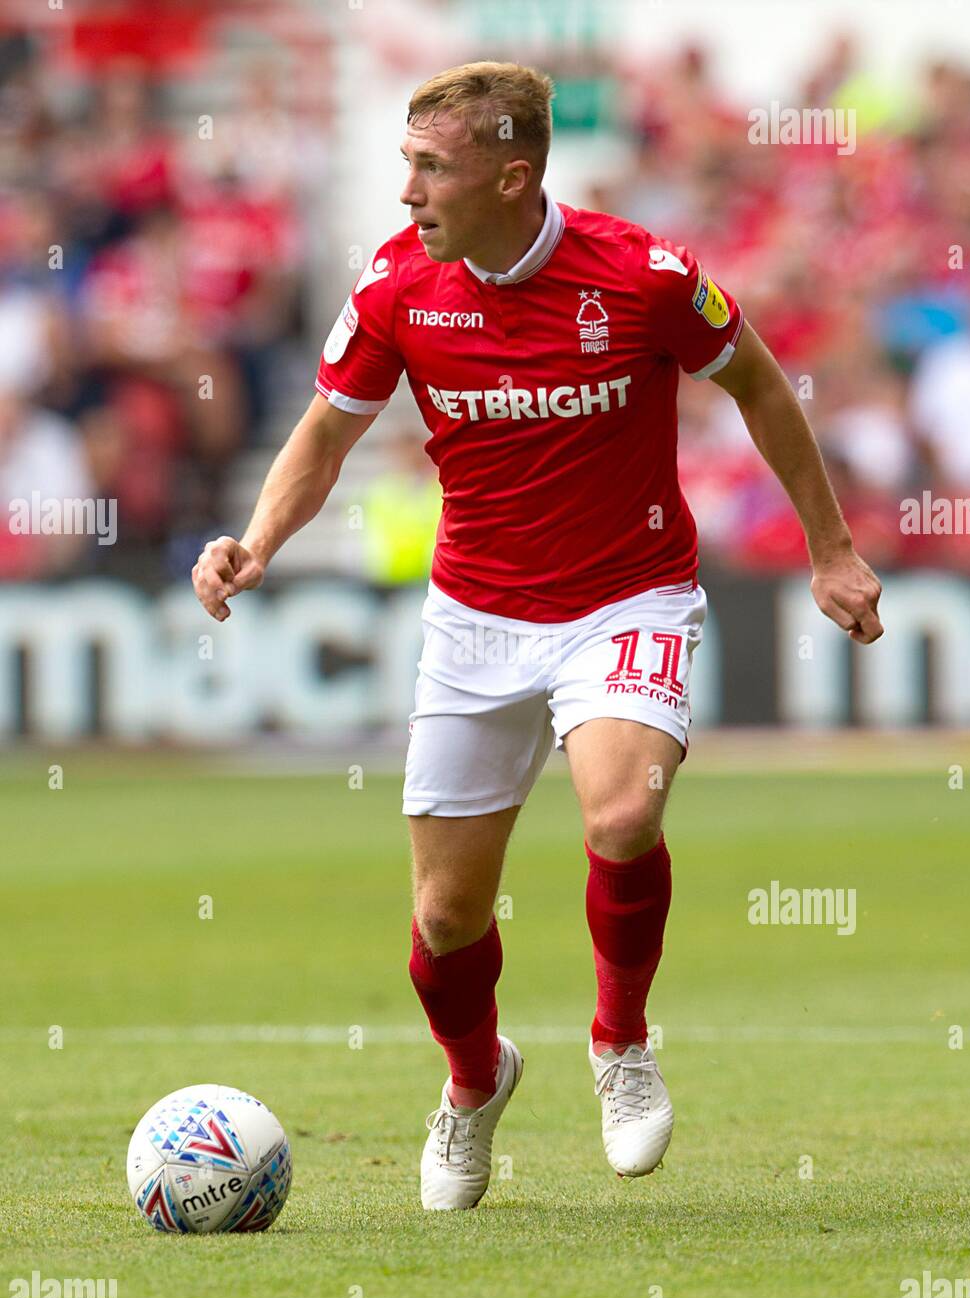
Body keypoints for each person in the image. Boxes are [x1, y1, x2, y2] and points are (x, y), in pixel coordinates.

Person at [192, 61, 883, 1211]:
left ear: (512, 177)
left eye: (430, 168)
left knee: (621, 811)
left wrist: (831, 549)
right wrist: (257, 540)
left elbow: (760, 384)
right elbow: (321, 433)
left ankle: (620, 1041)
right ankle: (475, 1084)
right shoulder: (398, 286)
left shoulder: (644, 276)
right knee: (446, 915)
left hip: (630, 597)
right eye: (406, 163)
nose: (405, 190)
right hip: (476, 616)